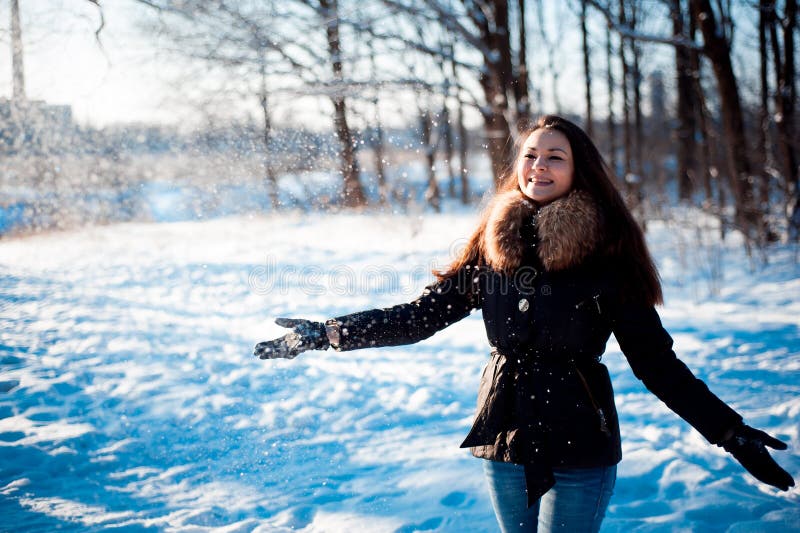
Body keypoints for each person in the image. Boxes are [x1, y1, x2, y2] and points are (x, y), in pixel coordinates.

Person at [253, 115, 795, 532]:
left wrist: (728, 431)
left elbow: (656, 364)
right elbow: (420, 317)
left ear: (578, 170)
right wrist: (328, 333)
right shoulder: (496, 249)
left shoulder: (606, 259)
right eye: (530, 155)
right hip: (504, 434)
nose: (538, 165)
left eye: (554, 157)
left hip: (581, 437)